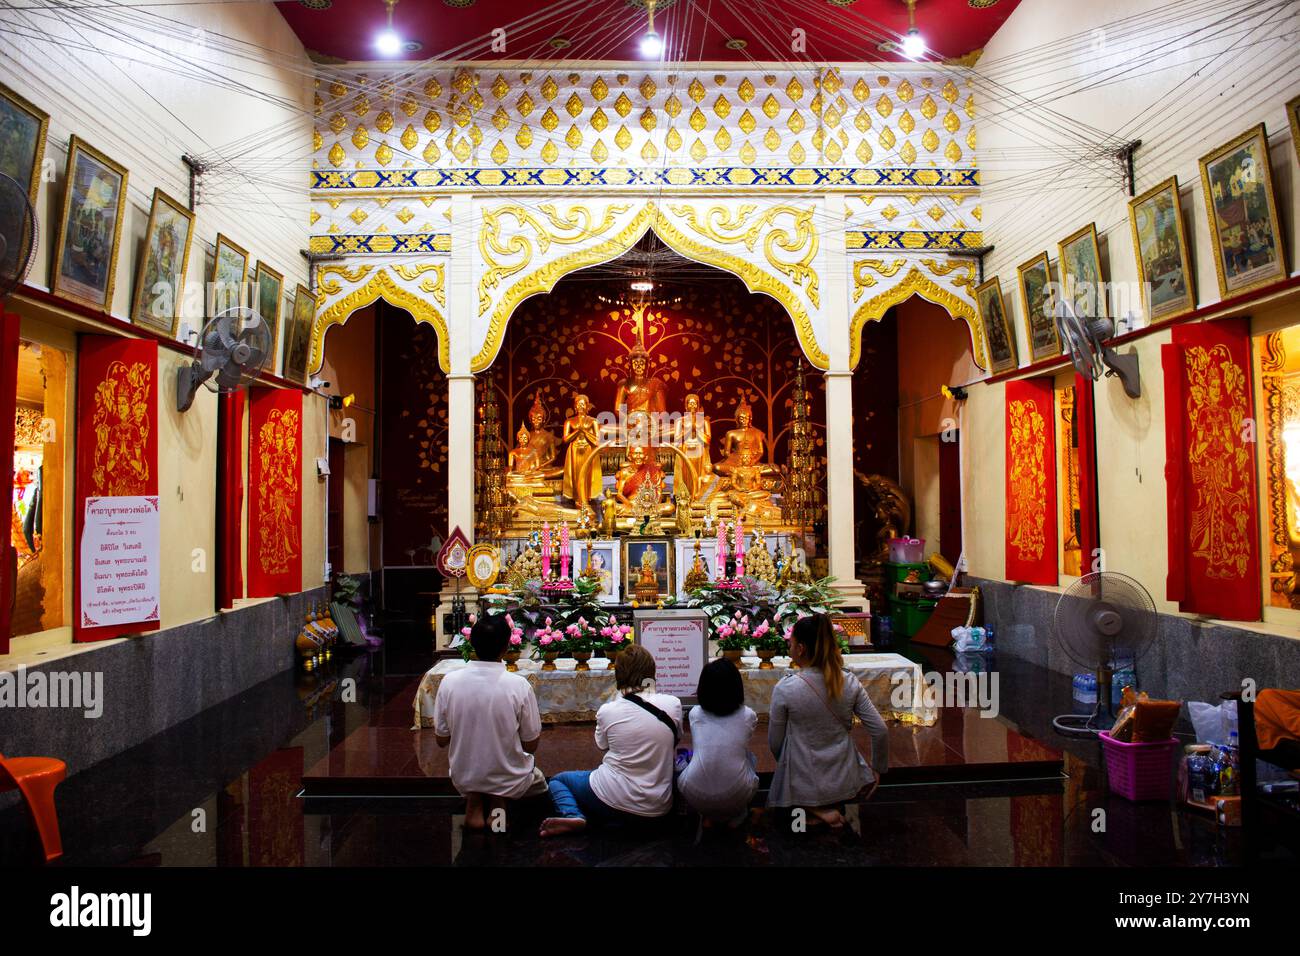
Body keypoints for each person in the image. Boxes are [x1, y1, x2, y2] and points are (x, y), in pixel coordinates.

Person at [540, 644, 682, 837]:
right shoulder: (673, 704)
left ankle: (573, 814)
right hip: (658, 807)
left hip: (610, 798)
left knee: (559, 780)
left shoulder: (609, 710)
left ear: (618, 673)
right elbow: (677, 739)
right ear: (651, 671)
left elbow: (603, 746)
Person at [767, 614, 889, 828]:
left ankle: (814, 811)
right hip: (844, 780)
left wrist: (787, 766)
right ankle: (820, 813)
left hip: (802, 781)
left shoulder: (786, 688)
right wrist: (878, 768)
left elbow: (775, 743)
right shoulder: (849, 682)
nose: (790, 647)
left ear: (801, 648)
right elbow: (880, 730)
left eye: (791, 643)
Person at [433, 614, 546, 830]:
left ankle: (475, 802)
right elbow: (530, 744)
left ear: (472, 644)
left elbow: (441, 739)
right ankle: (498, 803)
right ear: (506, 647)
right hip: (509, 776)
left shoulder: (449, 682)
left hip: (464, 774)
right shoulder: (518, 686)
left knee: (479, 775)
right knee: (535, 782)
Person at [677, 659, 759, 827]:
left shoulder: (695, 714)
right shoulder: (748, 716)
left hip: (694, 791)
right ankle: (736, 815)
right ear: (737, 687)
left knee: (689, 758)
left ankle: (707, 815)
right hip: (737, 792)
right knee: (749, 758)